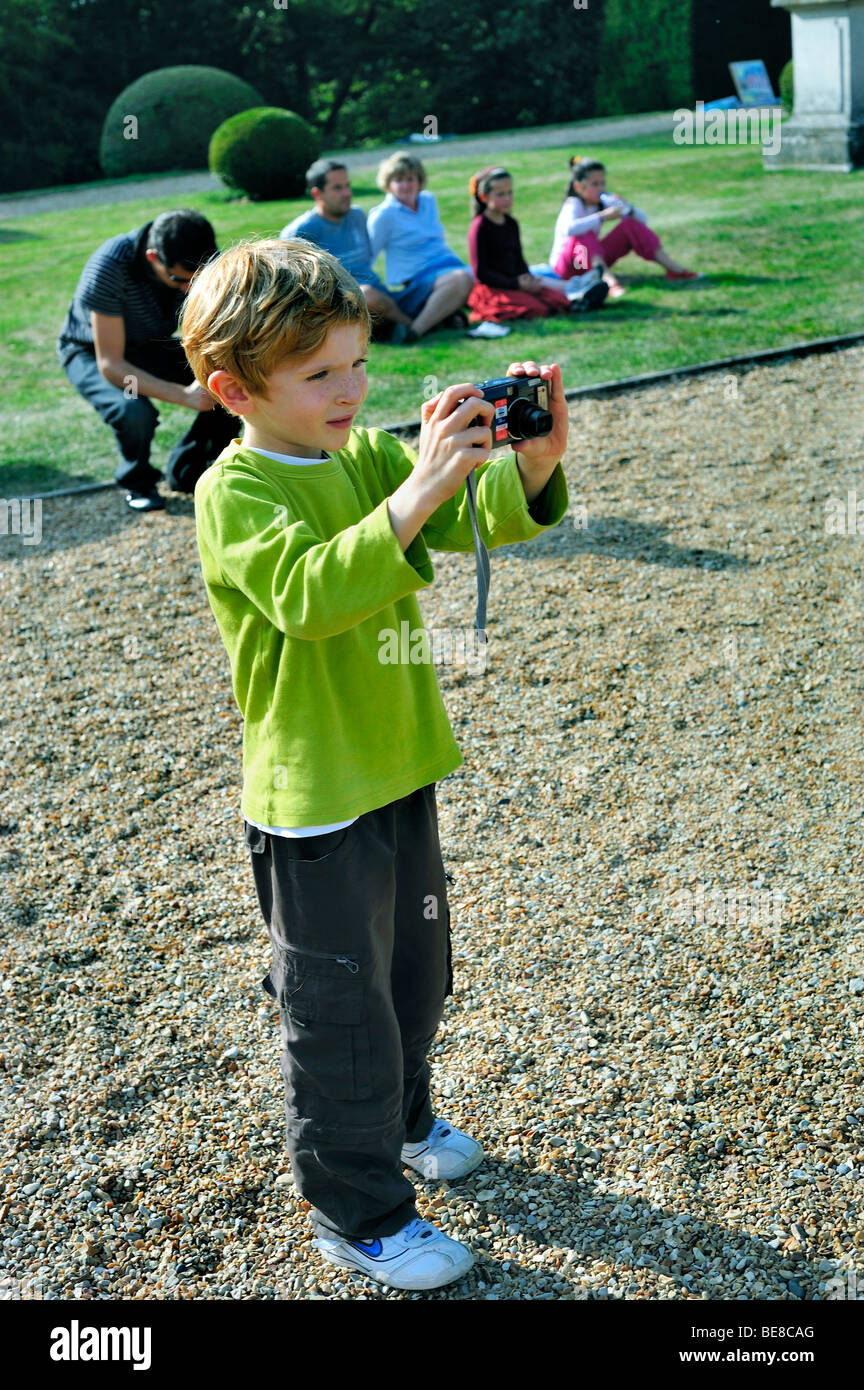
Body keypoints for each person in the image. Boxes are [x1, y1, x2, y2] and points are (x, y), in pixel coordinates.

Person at [181, 237, 570, 1291]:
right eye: (320, 376)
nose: (351, 389)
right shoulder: (236, 492)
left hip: (399, 767)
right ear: (233, 390)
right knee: (338, 1008)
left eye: (357, 362)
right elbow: (311, 596)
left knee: (413, 974)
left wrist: (521, 468)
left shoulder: (356, 454)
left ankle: (402, 1121)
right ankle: (357, 1210)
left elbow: (455, 522)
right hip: (312, 802)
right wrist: (417, 488)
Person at [58, 209, 236, 511]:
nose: (189, 290)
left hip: (150, 345)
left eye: (197, 280)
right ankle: (137, 481)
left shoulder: (198, 259)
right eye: (179, 280)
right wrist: (183, 395)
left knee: (228, 377)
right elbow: (112, 366)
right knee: (132, 409)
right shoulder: (109, 268)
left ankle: (191, 471)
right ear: (153, 257)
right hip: (94, 353)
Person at [280, 158, 417, 345]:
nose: (347, 193)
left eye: (347, 186)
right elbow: (296, 290)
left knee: (447, 280)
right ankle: (414, 327)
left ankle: (393, 325)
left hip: (381, 293)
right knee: (365, 295)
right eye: (337, 188)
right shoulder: (300, 232)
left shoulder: (357, 216)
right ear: (317, 194)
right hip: (341, 304)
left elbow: (367, 261)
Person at [466, 166, 607, 323]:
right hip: (495, 288)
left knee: (555, 299)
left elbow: (518, 258)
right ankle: (577, 295)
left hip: (518, 282)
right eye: (500, 194)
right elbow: (481, 272)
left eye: (509, 193)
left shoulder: (511, 224)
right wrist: (515, 284)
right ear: (484, 197)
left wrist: (528, 279)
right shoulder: (480, 227)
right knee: (536, 308)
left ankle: (579, 298)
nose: (507, 198)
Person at [550, 156, 702, 299]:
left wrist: (627, 208)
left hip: (591, 263)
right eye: (594, 184)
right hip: (571, 267)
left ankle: (675, 270)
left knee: (630, 224)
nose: (600, 188)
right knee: (584, 233)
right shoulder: (573, 204)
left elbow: (643, 220)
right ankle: (610, 283)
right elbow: (569, 229)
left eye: (602, 183)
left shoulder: (603, 202)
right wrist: (601, 217)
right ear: (578, 187)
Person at [367, 152, 473, 339]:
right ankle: (416, 331)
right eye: (399, 180)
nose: (406, 185)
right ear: (388, 184)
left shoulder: (428, 201)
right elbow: (369, 256)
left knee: (488, 272)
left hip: (449, 264)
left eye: (410, 179)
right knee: (460, 279)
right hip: (419, 276)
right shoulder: (383, 216)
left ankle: (447, 316)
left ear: (420, 180)